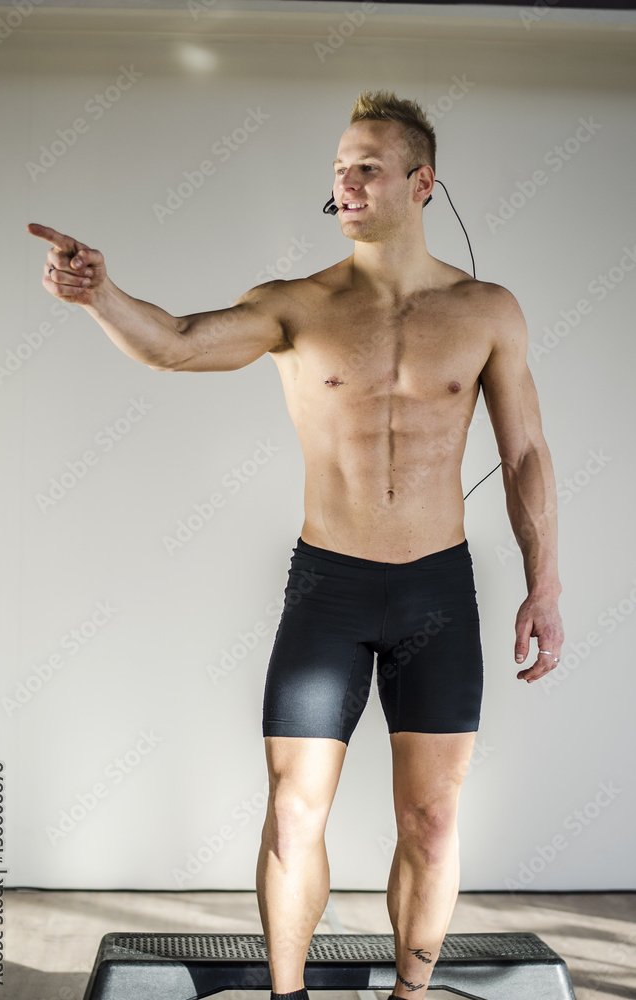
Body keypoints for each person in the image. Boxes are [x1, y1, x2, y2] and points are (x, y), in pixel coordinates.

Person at [28, 89, 563, 999]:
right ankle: (287, 997)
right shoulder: (297, 304)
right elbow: (178, 344)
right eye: (338, 169)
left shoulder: (487, 311)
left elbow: (523, 454)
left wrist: (544, 586)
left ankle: (410, 994)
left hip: (439, 592)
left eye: (367, 168)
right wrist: (101, 294)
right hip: (331, 591)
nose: (345, 184)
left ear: (422, 183)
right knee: (292, 813)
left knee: (431, 821)